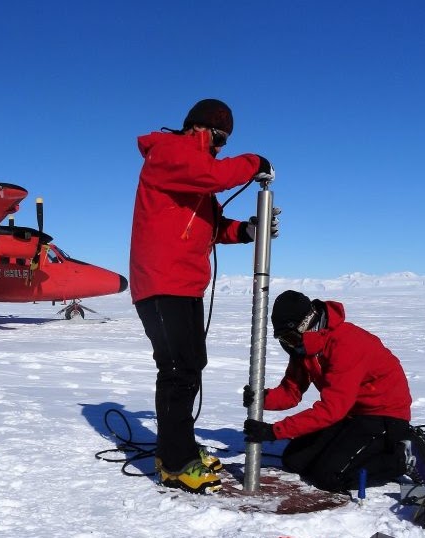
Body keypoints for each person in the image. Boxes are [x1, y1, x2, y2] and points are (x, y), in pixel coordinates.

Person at [130, 98, 276, 494]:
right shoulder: (171, 153)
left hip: (185, 284)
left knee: (190, 366)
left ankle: (179, 450)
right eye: (219, 138)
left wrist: (247, 231)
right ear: (203, 129)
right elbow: (213, 175)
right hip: (161, 283)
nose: (220, 147)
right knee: (178, 371)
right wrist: (253, 162)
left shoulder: (193, 171)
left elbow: (209, 225)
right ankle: (175, 463)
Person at [242, 290, 425, 493]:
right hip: (351, 414)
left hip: (383, 415)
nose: (289, 345)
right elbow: (291, 391)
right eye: (284, 340)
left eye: (290, 338)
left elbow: (332, 409)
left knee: (328, 476)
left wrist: (275, 431)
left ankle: (403, 456)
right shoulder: (304, 349)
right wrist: (261, 398)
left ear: (306, 325)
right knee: (294, 460)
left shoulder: (346, 343)